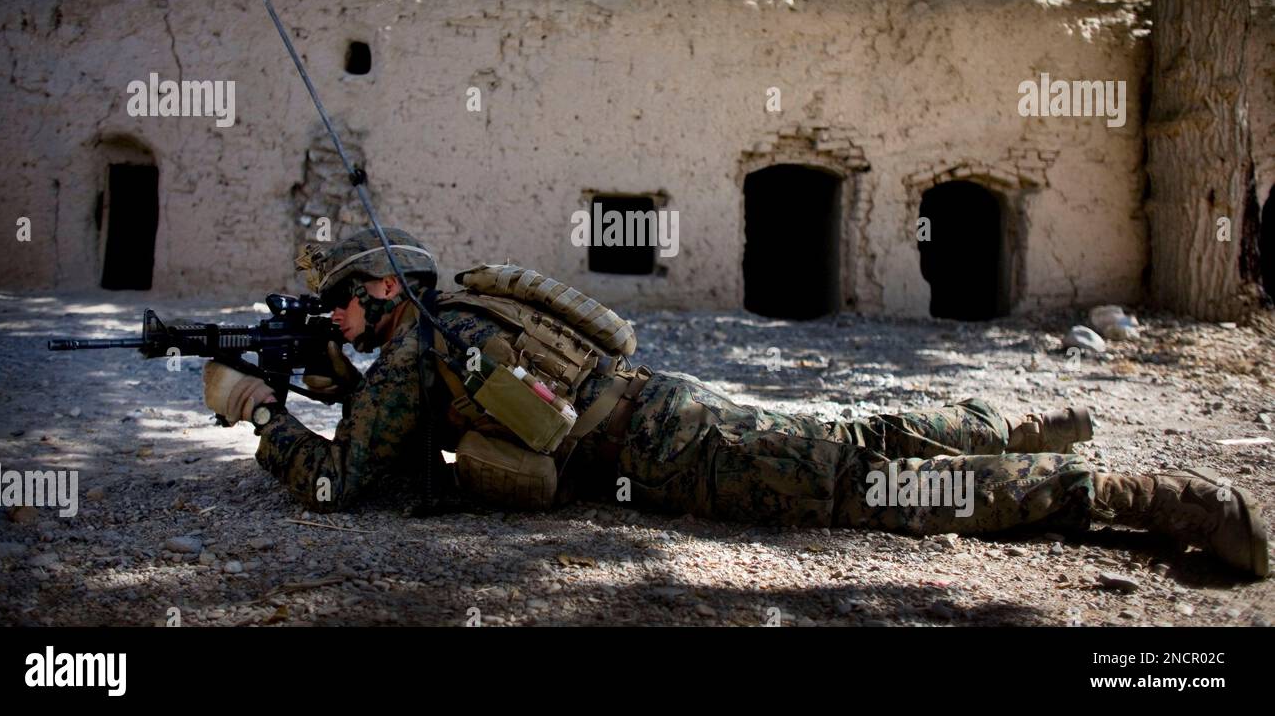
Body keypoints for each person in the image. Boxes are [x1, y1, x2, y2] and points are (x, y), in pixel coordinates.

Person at [202, 227, 1269, 578]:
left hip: (670, 452)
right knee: (846, 437)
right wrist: (322, 377)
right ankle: (1029, 423)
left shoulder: (408, 355)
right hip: (663, 404)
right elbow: (406, 429)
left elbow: (346, 483)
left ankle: (1132, 491)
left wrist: (260, 413)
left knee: (870, 489)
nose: (333, 318)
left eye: (340, 304)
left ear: (379, 290)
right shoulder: (459, 322)